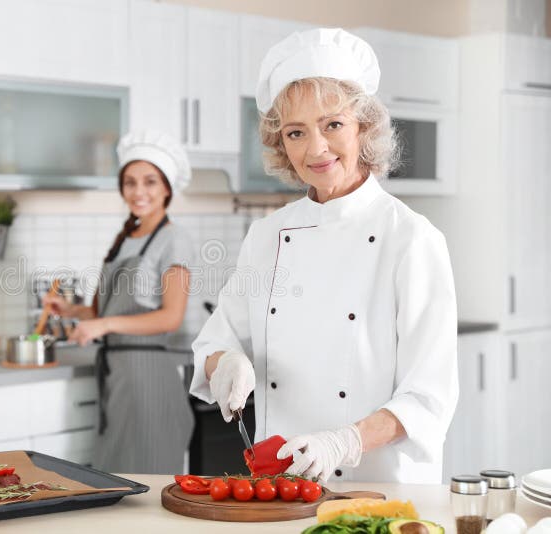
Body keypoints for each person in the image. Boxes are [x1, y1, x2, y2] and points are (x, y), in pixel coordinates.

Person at [189, 28, 458, 483]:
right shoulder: (266, 236)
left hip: (378, 489)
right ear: (281, 145)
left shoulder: (411, 239)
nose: (315, 149)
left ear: (364, 127)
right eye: (296, 132)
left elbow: (428, 397)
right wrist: (226, 363)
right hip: (282, 486)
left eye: (332, 125)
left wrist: (343, 442)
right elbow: (214, 343)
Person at [43, 130, 195, 474]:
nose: (139, 192)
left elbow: (170, 317)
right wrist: (73, 311)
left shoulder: (174, 239)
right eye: (130, 182)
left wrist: (103, 324)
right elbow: (108, 311)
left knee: (147, 485)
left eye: (150, 182)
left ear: (167, 188)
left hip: (149, 380)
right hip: (118, 377)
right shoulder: (125, 238)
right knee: (115, 480)